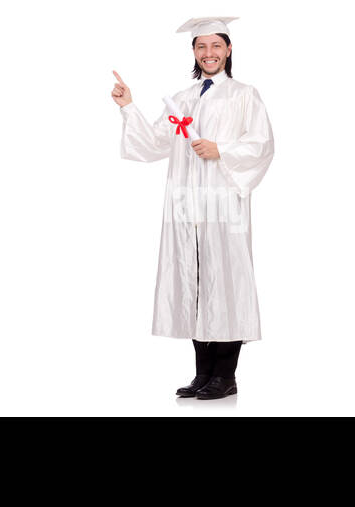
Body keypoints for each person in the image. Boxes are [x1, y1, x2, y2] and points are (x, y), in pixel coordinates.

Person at [111, 16, 274, 400]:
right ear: (194, 52)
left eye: (216, 46)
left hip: (223, 203)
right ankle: (203, 373)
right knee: (195, 282)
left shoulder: (244, 95)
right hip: (186, 205)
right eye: (201, 47)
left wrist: (222, 150)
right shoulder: (183, 99)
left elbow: (263, 144)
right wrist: (128, 106)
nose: (209, 53)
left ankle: (226, 375)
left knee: (226, 282)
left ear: (229, 49)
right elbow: (153, 143)